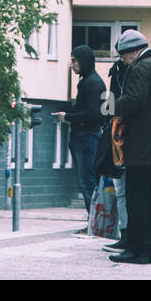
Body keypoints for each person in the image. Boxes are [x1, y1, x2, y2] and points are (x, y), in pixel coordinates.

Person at [107, 29, 151, 264]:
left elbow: (135, 99)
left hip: (141, 146)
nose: (124, 61)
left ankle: (138, 249)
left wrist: (113, 107)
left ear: (134, 52)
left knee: (137, 200)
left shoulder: (141, 68)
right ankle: (149, 246)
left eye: (124, 56)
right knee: (149, 200)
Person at [53, 45, 106, 219]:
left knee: (87, 182)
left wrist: (67, 117)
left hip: (86, 137)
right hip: (87, 136)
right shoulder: (92, 81)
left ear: (82, 61)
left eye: (74, 61)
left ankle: (94, 222)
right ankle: (95, 221)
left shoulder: (90, 83)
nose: (72, 65)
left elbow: (92, 114)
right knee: (89, 181)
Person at [100, 50, 132, 251]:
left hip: (124, 135)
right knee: (122, 189)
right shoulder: (117, 72)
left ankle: (128, 234)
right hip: (119, 136)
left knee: (125, 190)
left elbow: (109, 106)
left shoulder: (126, 72)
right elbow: (108, 106)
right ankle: (126, 233)